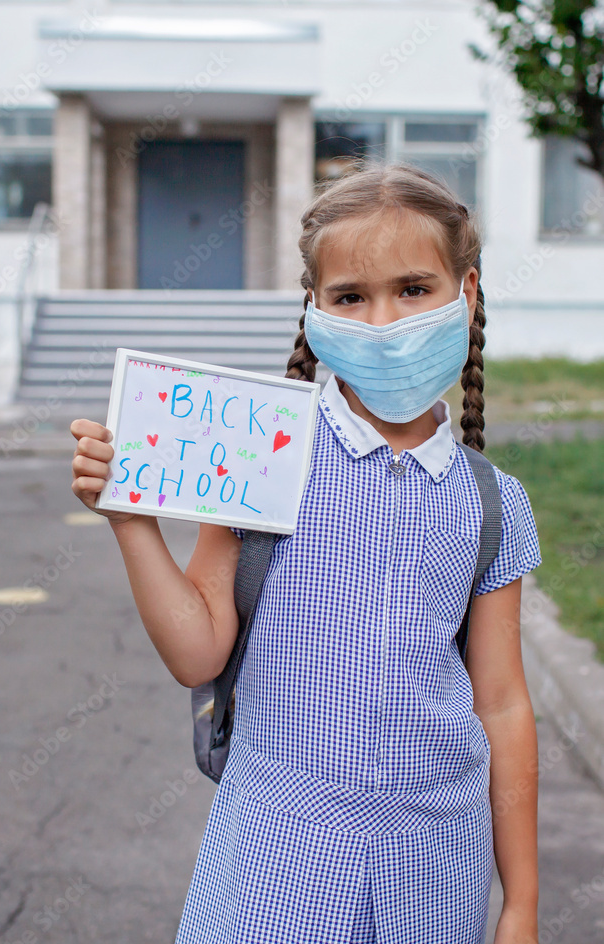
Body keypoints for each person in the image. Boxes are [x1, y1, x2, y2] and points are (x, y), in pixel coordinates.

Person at [70, 161, 542, 944]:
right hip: (274, 863)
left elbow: (500, 704)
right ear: (314, 309)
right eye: (349, 296)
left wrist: (520, 902)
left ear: (466, 292)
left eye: (413, 289)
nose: (383, 321)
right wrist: (130, 517)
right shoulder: (257, 451)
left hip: (436, 873)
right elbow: (197, 653)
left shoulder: (494, 503)